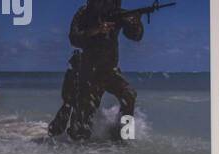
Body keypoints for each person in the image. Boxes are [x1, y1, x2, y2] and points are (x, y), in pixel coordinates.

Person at [50, 0, 147, 142]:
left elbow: (135, 36)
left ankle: (124, 137)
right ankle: (69, 150)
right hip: (88, 73)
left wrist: (136, 22)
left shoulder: (118, 13)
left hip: (108, 72)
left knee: (129, 96)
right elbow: (74, 38)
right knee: (80, 131)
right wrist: (96, 30)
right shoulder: (84, 12)